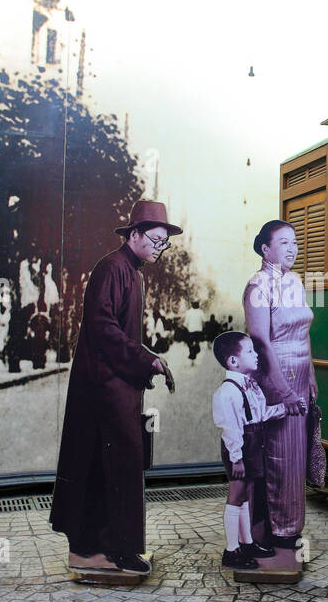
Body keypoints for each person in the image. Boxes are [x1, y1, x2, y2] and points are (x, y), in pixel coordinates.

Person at [50, 201, 180, 575]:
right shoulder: (113, 268)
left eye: (164, 243)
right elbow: (104, 328)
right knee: (115, 465)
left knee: (108, 466)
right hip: (103, 389)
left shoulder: (130, 271)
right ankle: (108, 550)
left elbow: (114, 333)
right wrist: (146, 359)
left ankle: (103, 548)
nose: (160, 247)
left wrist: (144, 358)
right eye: (155, 240)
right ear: (134, 235)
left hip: (114, 386)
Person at [243, 220, 315, 550]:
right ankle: (274, 529)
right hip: (275, 375)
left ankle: (291, 526)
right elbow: (260, 342)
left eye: (295, 242)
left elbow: (304, 333)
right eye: (284, 242)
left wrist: (311, 377)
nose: (292, 248)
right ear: (265, 249)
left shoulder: (296, 282)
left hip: (301, 373)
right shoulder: (258, 287)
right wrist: (283, 391)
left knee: (297, 454)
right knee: (278, 454)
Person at [211, 332, 282, 570]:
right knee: (236, 497)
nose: (256, 355)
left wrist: (285, 408)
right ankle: (232, 550)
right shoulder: (228, 393)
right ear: (233, 361)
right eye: (250, 351)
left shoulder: (250, 386)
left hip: (251, 445)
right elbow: (231, 429)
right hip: (239, 449)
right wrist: (237, 459)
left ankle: (247, 542)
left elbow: (260, 415)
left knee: (244, 500)